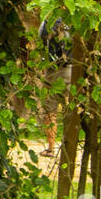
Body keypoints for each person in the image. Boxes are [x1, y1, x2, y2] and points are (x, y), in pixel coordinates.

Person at [38, 18, 72, 158]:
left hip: (52, 72)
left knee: (50, 113)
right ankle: (70, 146)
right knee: (71, 111)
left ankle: (51, 148)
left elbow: (42, 40)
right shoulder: (72, 22)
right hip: (71, 71)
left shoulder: (46, 23)